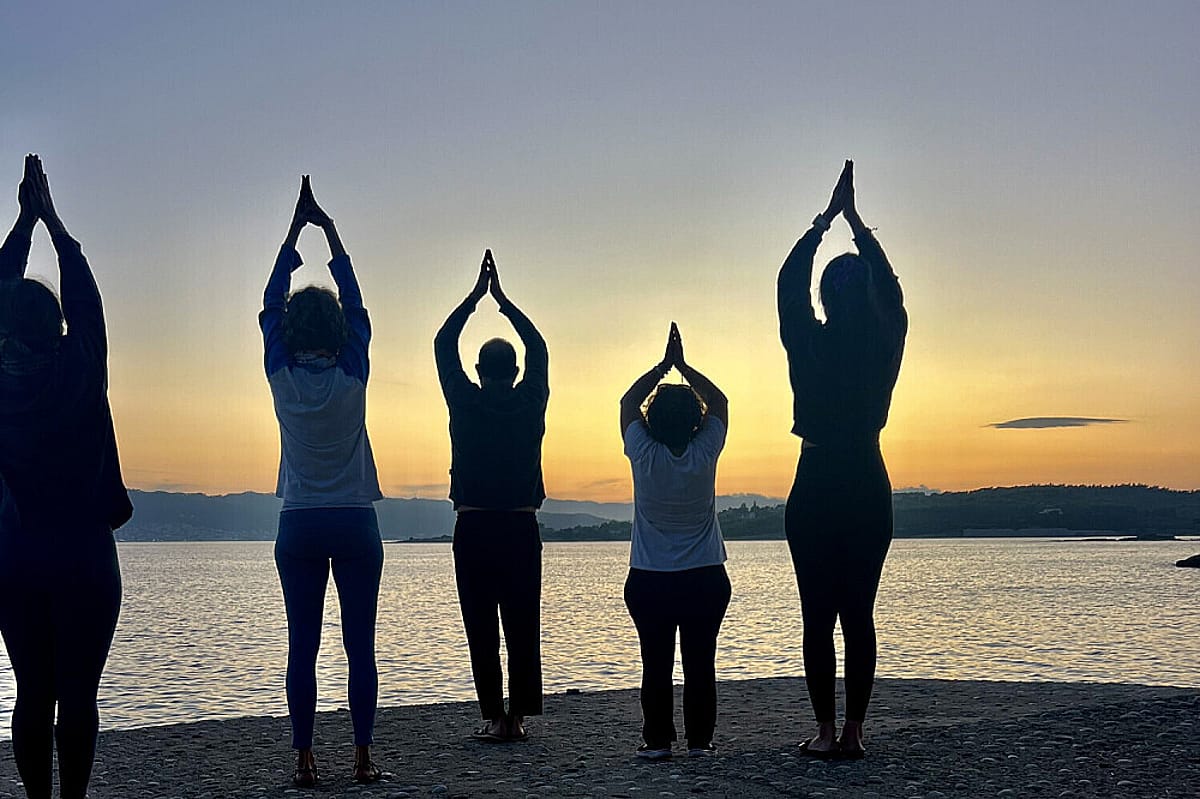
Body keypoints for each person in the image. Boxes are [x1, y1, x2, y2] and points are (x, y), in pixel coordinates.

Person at [0, 154, 129, 799]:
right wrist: (53, 223)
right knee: (78, 694)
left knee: (31, 691)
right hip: (82, 553)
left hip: (14, 553)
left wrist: (23, 226)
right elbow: (85, 297)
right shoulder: (80, 366)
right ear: (57, 329)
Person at [776, 160, 907, 759]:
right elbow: (894, 295)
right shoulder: (885, 340)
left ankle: (829, 732)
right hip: (866, 478)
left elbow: (787, 282)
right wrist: (856, 224)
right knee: (859, 611)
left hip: (818, 476)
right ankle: (853, 731)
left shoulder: (808, 340)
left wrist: (824, 221)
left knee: (817, 614)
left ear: (826, 296)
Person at [261, 176, 385, 786]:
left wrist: (294, 233)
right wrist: (329, 232)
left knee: (301, 644)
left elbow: (268, 307)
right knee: (359, 643)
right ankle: (362, 760)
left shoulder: (281, 373)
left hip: (299, 520)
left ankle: (305, 761)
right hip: (355, 518)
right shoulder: (354, 372)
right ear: (335, 330)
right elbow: (359, 306)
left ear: (292, 331)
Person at [434, 249, 548, 742]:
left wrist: (475, 299)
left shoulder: (466, 401)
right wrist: (502, 301)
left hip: (476, 527)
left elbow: (443, 343)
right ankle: (516, 718)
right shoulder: (530, 401)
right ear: (515, 369)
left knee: (481, 627)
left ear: (479, 370)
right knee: (521, 624)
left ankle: (496, 718)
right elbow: (540, 348)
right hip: (521, 527)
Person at [619, 322, 731, 761]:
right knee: (701, 662)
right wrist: (684, 367)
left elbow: (628, 402)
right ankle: (700, 741)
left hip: (650, 579)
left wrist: (662, 366)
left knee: (656, 664)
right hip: (704, 576)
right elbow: (720, 402)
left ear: (652, 421)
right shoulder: (705, 453)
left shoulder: (643, 455)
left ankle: (658, 741)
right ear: (696, 422)